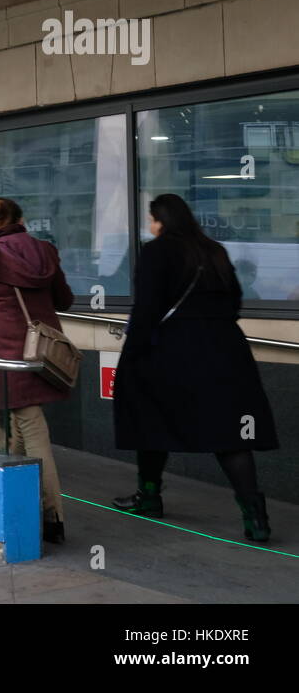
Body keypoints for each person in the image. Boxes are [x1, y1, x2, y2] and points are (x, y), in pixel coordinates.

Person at [112, 194, 279, 541]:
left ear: (161, 220)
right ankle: (255, 517)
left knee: (151, 420)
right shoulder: (214, 250)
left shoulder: (156, 251)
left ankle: (149, 497)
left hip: (169, 352)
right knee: (230, 434)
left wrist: (135, 352)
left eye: (151, 218)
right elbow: (234, 303)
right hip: (225, 351)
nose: (149, 224)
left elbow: (146, 308)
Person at [0, 197, 73, 545]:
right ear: (22, 219)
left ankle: (31, 514)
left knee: (9, 433)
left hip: (6, 358)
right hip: (40, 354)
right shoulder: (45, 251)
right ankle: (45, 514)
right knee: (29, 433)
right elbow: (64, 301)